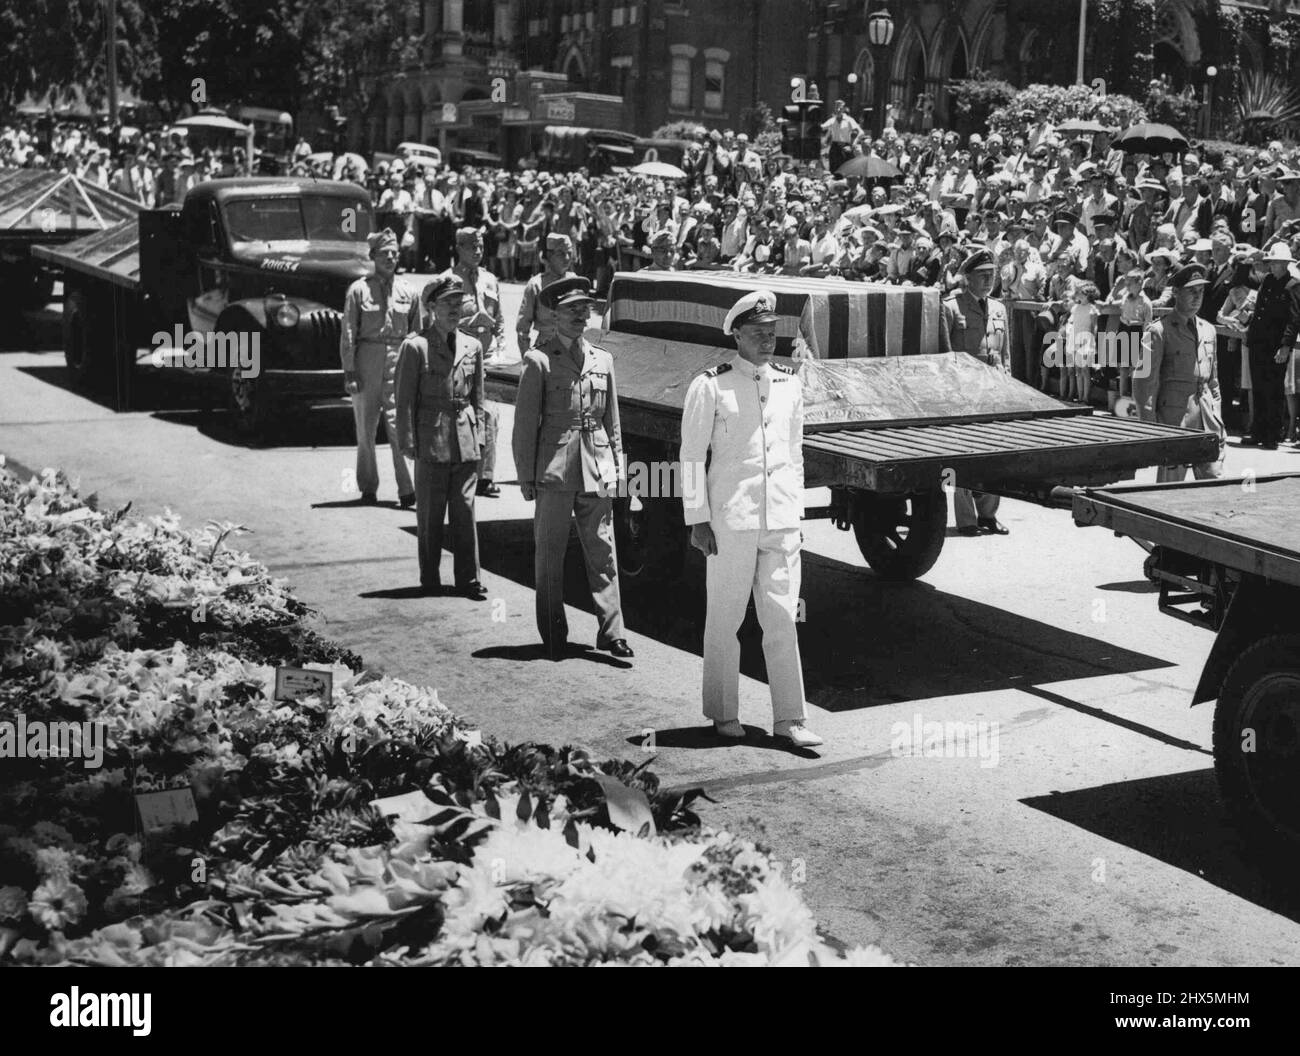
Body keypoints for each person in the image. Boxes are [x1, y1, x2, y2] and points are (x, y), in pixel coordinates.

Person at [679, 289, 821, 748]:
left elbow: (795, 454)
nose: (767, 339)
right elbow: (690, 457)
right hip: (731, 521)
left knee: (781, 617)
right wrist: (697, 519)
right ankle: (723, 712)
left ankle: (790, 719)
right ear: (736, 334)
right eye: (757, 333)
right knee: (725, 619)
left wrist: (794, 513)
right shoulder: (711, 385)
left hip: (779, 520)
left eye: (771, 332)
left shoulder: (788, 384)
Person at [512, 276, 633, 660]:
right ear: (553, 314)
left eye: (585, 309)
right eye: (571, 310)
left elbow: (612, 423)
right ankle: (552, 631)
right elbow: (525, 426)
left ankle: (612, 632)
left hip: (596, 466)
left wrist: (618, 469)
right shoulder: (539, 359)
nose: (581, 316)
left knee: (603, 551)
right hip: (555, 469)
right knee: (549, 553)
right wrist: (527, 477)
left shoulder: (603, 359)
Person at [393, 276, 488, 600]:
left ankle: (469, 579)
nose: (454, 309)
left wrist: (483, 438)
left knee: (465, 510)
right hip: (431, 438)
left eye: (458, 303)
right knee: (431, 514)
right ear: (431, 307)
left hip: (465, 436)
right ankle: (430, 577)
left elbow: (479, 397)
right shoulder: (415, 346)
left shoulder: (472, 345)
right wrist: (406, 441)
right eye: (447, 303)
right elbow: (403, 399)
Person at [339, 229, 416, 506]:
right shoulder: (359, 290)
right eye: (385, 254)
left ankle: (407, 490)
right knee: (366, 428)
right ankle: (368, 487)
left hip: (399, 361)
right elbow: (348, 332)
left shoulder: (409, 290)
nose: (391, 258)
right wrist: (350, 371)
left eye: (395, 254)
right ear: (372, 256)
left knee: (401, 428)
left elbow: (417, 333)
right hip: (367, 360)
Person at [939, 249, 1010, 536]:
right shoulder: (951, 307)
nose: (987, 280)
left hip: (994, 391)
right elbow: (943, 356)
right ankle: (967, 519)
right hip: (963, 393)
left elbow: (1004, 352)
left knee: (996, 455)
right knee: (963, 456)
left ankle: (988, 515)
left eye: (991, 275)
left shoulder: (998, 309)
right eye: (981, 275)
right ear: (967, 278)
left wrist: (1009, 385)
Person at [1134, 264, 1224, 480]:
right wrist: (1150, 427)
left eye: (1200, 291)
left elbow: (1213, 380)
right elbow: (1143, 383)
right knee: (1170, 488)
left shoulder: (1208, 329)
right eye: (1191, 291)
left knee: (1214, 483)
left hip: (1207, 418)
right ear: (1175, 293)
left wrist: (1217, 412)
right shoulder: (1158, 331)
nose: (1197, 297)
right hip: (1174, 420)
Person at [449, 228, 504, 498]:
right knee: (463, 415)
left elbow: (501, 321)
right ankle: (461, 471)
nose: (477, 251)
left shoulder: (490, 280)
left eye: (480, 245)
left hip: (488, 356)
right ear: (459, 248)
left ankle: (486, 476)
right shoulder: (448, 280)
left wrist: (500, 349)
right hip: (460, 357)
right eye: (471, 246)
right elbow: (439, 322)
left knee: (490, 413)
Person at [1243, 243, 1300, 448]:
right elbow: (1243, 279)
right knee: (1258, 387)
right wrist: (1247, 260)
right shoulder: (1267, 281)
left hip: (1276, 346)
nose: (1272, 266)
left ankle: (1273, 434)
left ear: (1285, 264)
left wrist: (1285, 346)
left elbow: (1294, 320)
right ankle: (1258, 430)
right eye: (1271, 262)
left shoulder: (1292, 285)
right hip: (1259, 342)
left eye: (1276, 262)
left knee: (1274, 389)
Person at [517, 233, 576, 352]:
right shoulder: (536, 285)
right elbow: (523, 328)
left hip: (572, 350)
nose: (567, 258)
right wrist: (527, 359)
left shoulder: (575, 282)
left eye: (569, 253)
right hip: (544, 349)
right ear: (549, 256)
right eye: (561, 254)